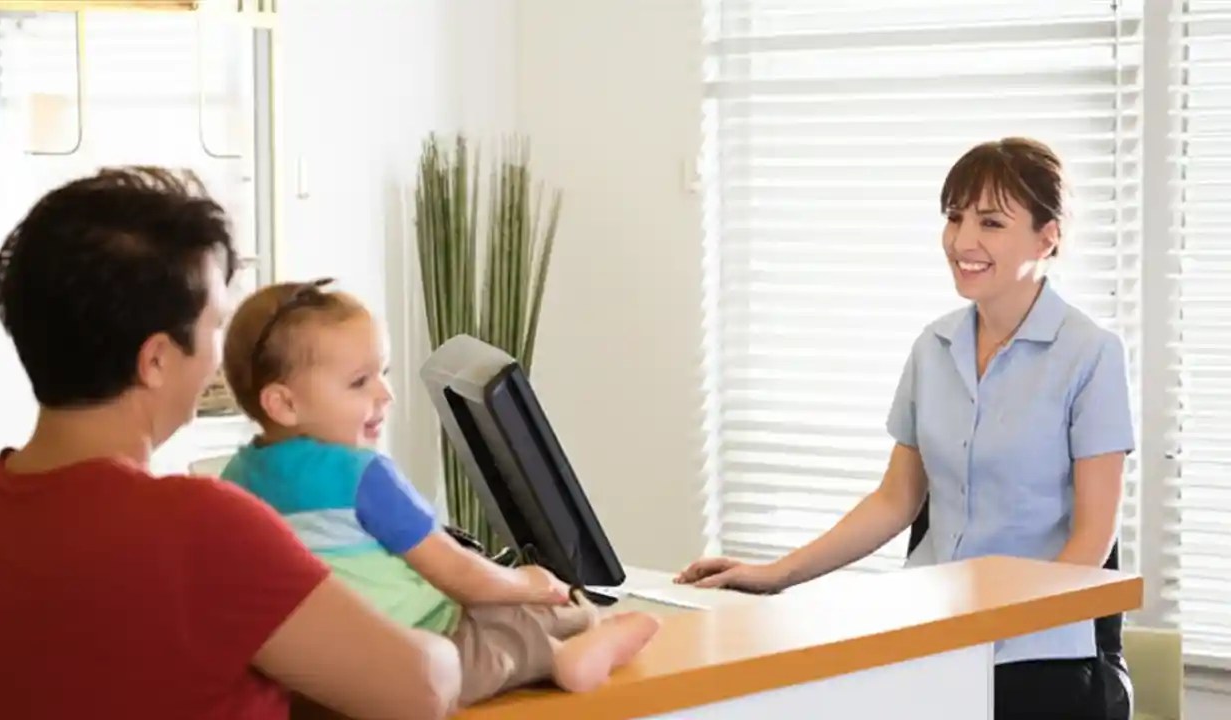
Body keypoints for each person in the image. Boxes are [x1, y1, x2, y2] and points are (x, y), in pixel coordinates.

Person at [0, 167, 463, 720]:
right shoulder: (201, 527)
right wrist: (447, 647)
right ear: (156, 360)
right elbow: (419, 692)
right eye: (214, 326)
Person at [676, 138, 1134, 720]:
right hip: (929, 632)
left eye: (991, 222)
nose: (963, 241)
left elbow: (1091, 542)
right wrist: (774, 575)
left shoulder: (1091, 355)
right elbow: (897, 499)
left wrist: (995, 633)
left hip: (1041, 653)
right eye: (954, 217)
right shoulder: (934, 347)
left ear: (1049, 236)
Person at [218, 280, 660, 707]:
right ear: (284, 404)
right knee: (535, 617)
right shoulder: (364, 476)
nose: (385, 394)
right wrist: (529, 581)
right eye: (359, 382)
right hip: (424, 651)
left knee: (543, 611)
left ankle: (574, 628)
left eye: (382, 373)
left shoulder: (236, 479)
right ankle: (566, 658)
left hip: (329, 674)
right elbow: (460, 575)